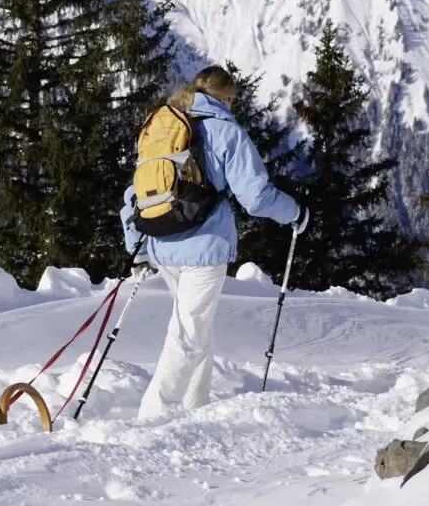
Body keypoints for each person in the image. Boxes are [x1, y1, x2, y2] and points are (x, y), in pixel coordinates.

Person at [119, 65, 309, 420]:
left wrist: (140, 247)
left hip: (163, 242)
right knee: (188, 332)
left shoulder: (167, 126)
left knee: (194, 326)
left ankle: (196, 405)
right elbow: (256, 197)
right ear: (224, 97)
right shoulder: (226, 131)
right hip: (204, 247)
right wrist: (296, 213)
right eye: (232, 100)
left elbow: (136, 192)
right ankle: (152, 416)